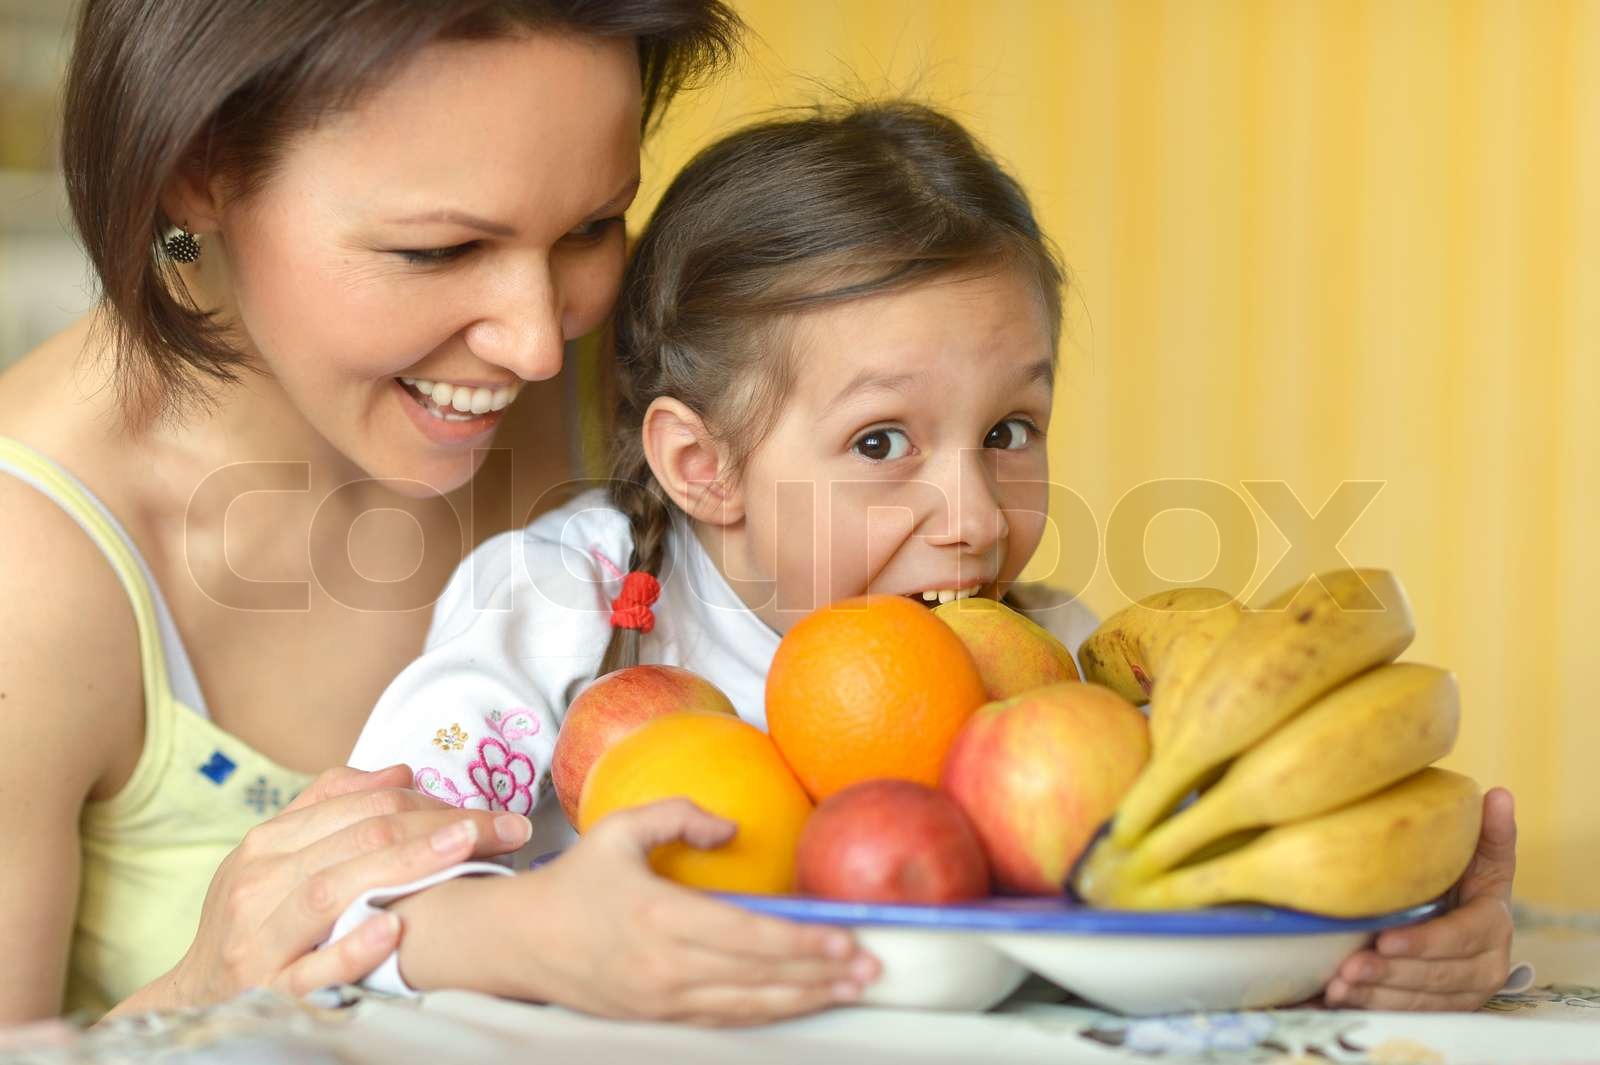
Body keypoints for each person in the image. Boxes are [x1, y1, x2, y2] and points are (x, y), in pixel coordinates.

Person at [341, 100, 1521, 1015]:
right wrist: (541, 937)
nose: (968, 516)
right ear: (703, 466)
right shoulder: (559, 603)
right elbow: (366, 894)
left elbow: (1195, 895)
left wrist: (1406, 936)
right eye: (880, 441)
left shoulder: (1055, 664)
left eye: (1008, 432)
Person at [0, 0, 877, 1026]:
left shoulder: (647, 373)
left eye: (592, 227)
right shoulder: (36, 567)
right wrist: (203, 992)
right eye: (440, 251)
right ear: (202, 171)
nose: (537, 345)